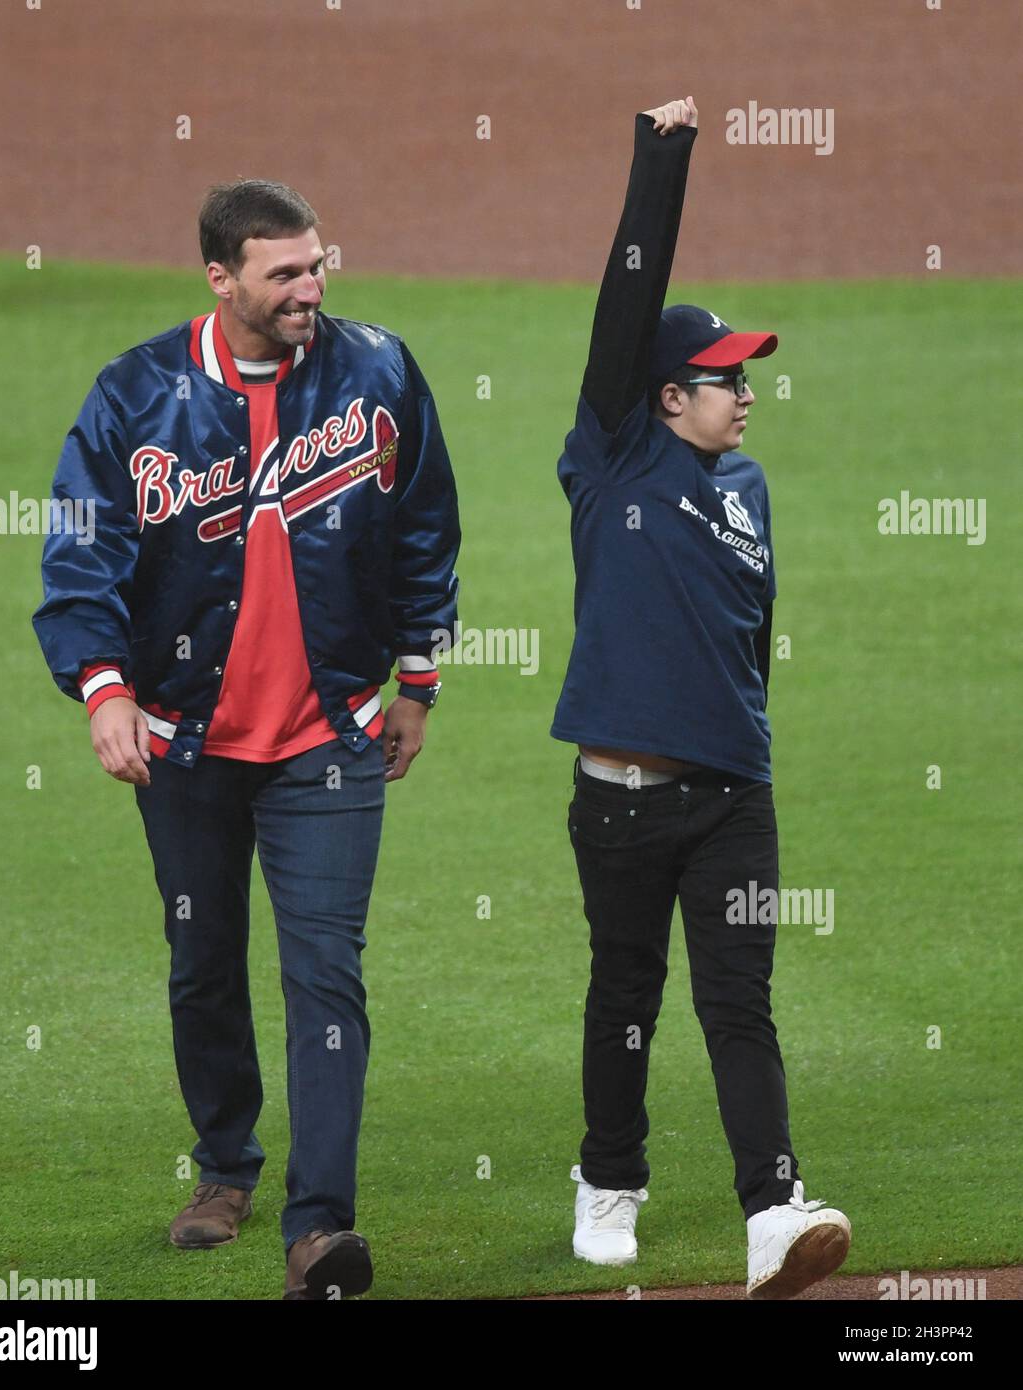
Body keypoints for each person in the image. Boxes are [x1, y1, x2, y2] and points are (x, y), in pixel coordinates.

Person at [32, 179, 460, 1301]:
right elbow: (80, 549)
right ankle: (224, 1166)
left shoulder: (377, 368)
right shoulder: (137, 395)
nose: (310, 289)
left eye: (318, 266)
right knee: (203, 963)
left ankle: (319, 1227)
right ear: (220, 279)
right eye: (284, 273)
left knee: (326, 974)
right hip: (184, 744)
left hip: (330, 740)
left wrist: (417, 677)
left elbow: (423, 522)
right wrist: (103, 689)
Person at [551, 97, 851, 1299]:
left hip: (734, 794)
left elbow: (751, 636)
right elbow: (630, 295)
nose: (746, 392)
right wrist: (660, 159)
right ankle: (608, 1182)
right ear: (666, 394)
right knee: (626, 993)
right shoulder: (614, 452)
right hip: (620, 799)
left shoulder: (751, 487)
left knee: (742, 1000)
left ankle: (774, 1208)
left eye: (747, 375)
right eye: (726, 377)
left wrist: (747, 741)